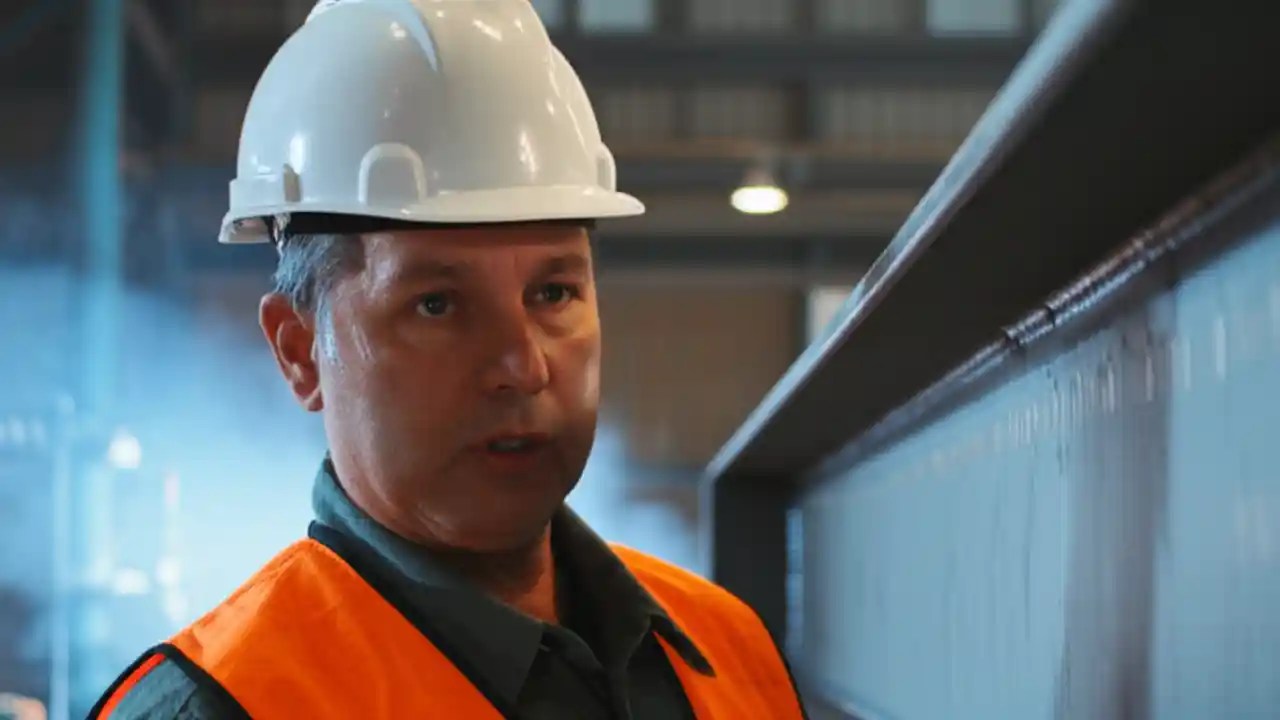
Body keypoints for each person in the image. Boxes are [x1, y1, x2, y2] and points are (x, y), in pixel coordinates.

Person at [91, 1, 808, 717]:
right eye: (437, 305)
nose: (522, 366)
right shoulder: (227, 704)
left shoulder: (725, 650)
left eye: (553, 292)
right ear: (300, 350)